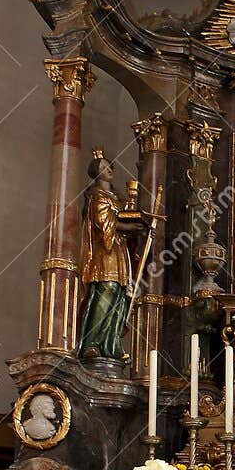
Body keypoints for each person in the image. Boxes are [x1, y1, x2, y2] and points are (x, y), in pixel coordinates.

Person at [78, 148, 133, 362]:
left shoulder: (117, 198)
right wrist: (128, 227)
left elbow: (123, 218)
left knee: (119, 294)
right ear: (96, 173)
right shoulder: (96, 197)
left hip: (118, 251)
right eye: (103, 167)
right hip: (104, 252)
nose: (108, 169)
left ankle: (111, 344)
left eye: (109, 166)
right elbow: (104, 224)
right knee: (106, 289)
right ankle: (92, 343)